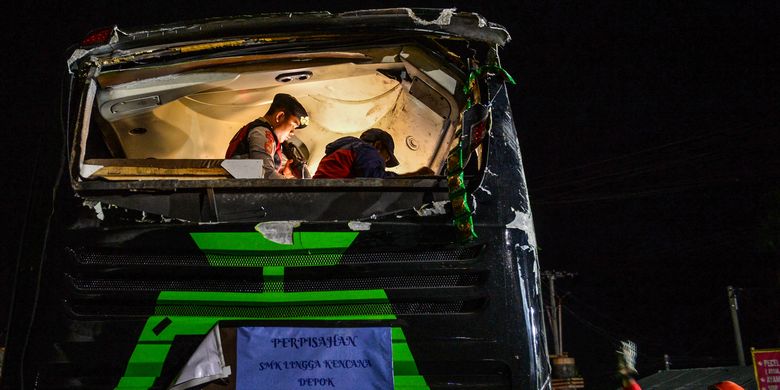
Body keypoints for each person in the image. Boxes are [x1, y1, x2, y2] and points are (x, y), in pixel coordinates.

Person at [225, 93, 310, 179]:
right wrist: (299, 186)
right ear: (279, 116)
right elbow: (266, 175)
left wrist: (283, 174)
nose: (292, 132)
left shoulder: (263, 132)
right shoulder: (261, 133)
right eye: (293, 126)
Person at [313, 128, 434, 179]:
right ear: (378, 146)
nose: (384, 164)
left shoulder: (347, 149)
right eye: (386, 158)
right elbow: (377, 181)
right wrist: (416, 176)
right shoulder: (366, 150)